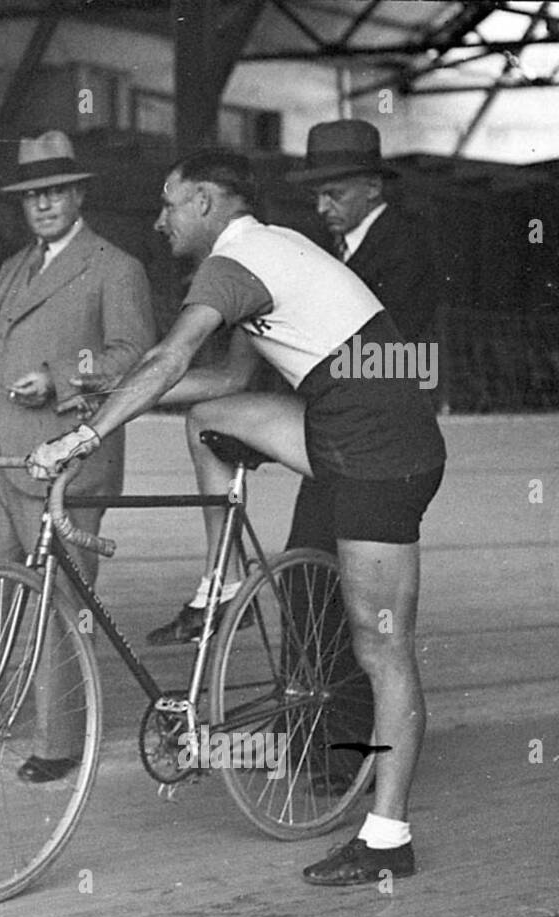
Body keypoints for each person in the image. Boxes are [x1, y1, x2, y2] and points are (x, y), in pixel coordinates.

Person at [28, 150, 445, 884]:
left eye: (170, 204)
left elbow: (169, 356)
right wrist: (105, 401)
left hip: (385, 450)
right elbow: (219, 380)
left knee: (381, 647)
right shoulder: (268, 251)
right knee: (213, 420)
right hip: (342, 425)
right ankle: (225, 587)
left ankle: (389, 838)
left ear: (210, 203)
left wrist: (84, 437)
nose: (158, 220)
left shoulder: (233, 266)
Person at [148, 119, 437, 648]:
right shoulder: (310, 247)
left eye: (335, 192)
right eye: (316, 194)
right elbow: (249, 363)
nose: (323, 206)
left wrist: (319, 376)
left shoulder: (408, 249)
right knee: (307, 584)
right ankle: (309, 718)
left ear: (373, 186)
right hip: (326, 426)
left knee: (345, 601)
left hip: (369, 436)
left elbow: (413, 362)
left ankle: (339, 720)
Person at [0, 130, 156, 783]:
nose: (43, 204)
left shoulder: (115, 267)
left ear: (79, 193)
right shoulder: (13, 266)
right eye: (32, 195)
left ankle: (59, 742)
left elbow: (134, 359)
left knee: (62, 595)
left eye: (55, 191)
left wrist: (59, 378)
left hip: (65, 461)